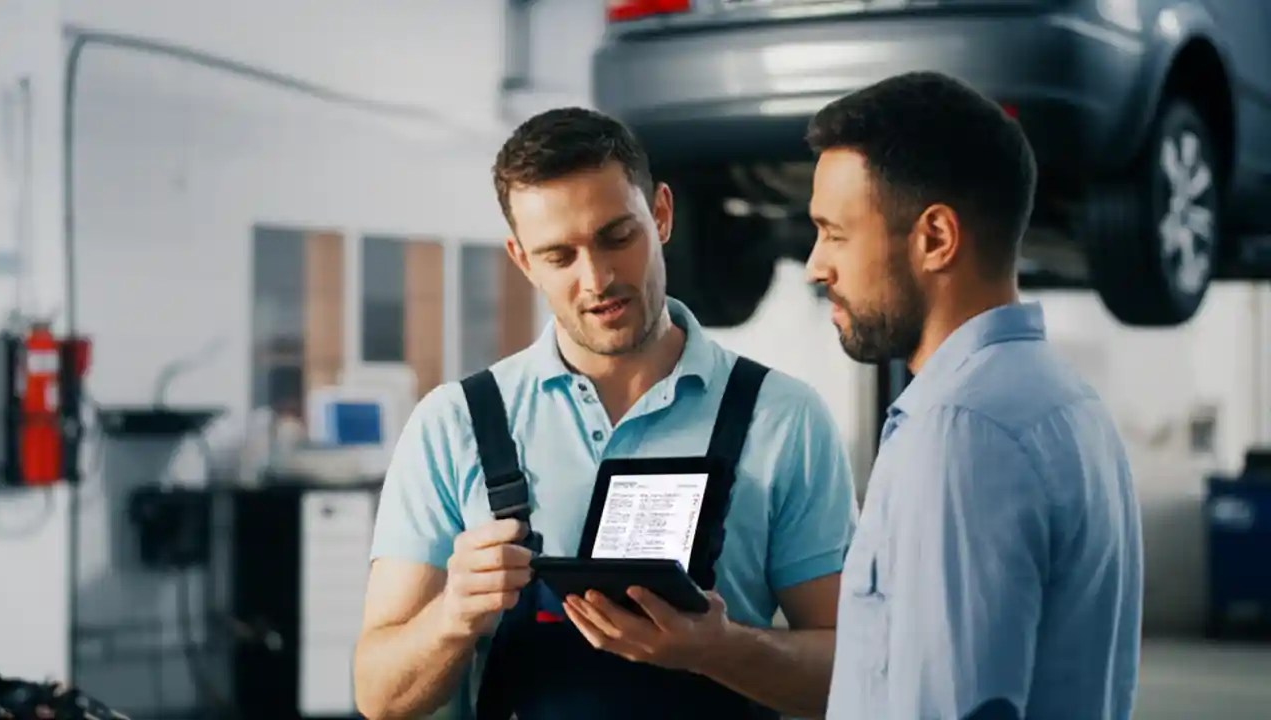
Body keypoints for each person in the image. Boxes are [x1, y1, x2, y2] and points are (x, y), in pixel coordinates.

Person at [354, 107, 857, 719]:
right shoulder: (453, 424)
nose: (597, 280)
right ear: (522, 259)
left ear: (663, 215)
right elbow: (379, 696)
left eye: (618, 237)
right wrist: (453, 616)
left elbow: (855, 677)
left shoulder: (784, 419)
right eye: (559, 257)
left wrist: (720, 650)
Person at [805, 71, 1143, 720]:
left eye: (835, 233)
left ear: (935, 238)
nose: (817, 265)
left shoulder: (962, 431)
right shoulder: (1064, 402)